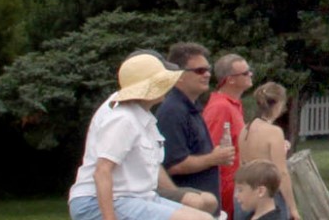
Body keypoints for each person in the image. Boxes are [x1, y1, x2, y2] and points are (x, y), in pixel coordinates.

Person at [68, 52, 217, 220]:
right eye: (160, 83)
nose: (167, 87)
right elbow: (102, 171)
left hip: (136, 198)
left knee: (205, 216)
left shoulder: (143, 119)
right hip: (99, 202)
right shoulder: (123, 119)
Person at [157, 44, 234, 203]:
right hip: (189, 207)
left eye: (208, 69)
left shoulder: (191, 108)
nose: (207, 75)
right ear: (178, 75)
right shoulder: (173, 111)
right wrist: (213, 158)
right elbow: (172, 164)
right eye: (199, 71)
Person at [240, 82, 298, 219]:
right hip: (268, 197)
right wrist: (293, 208)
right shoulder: (274, 132)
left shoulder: (245, 129)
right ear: (278, 104)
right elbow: (281, 173)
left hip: (246, 192)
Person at [202, 52, 252, 212]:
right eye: (245, 73)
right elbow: (211, 150)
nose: (250, 75)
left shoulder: (233, 105)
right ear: (230, 79)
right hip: (227, 190)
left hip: (238, 185)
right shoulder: (220, 107)